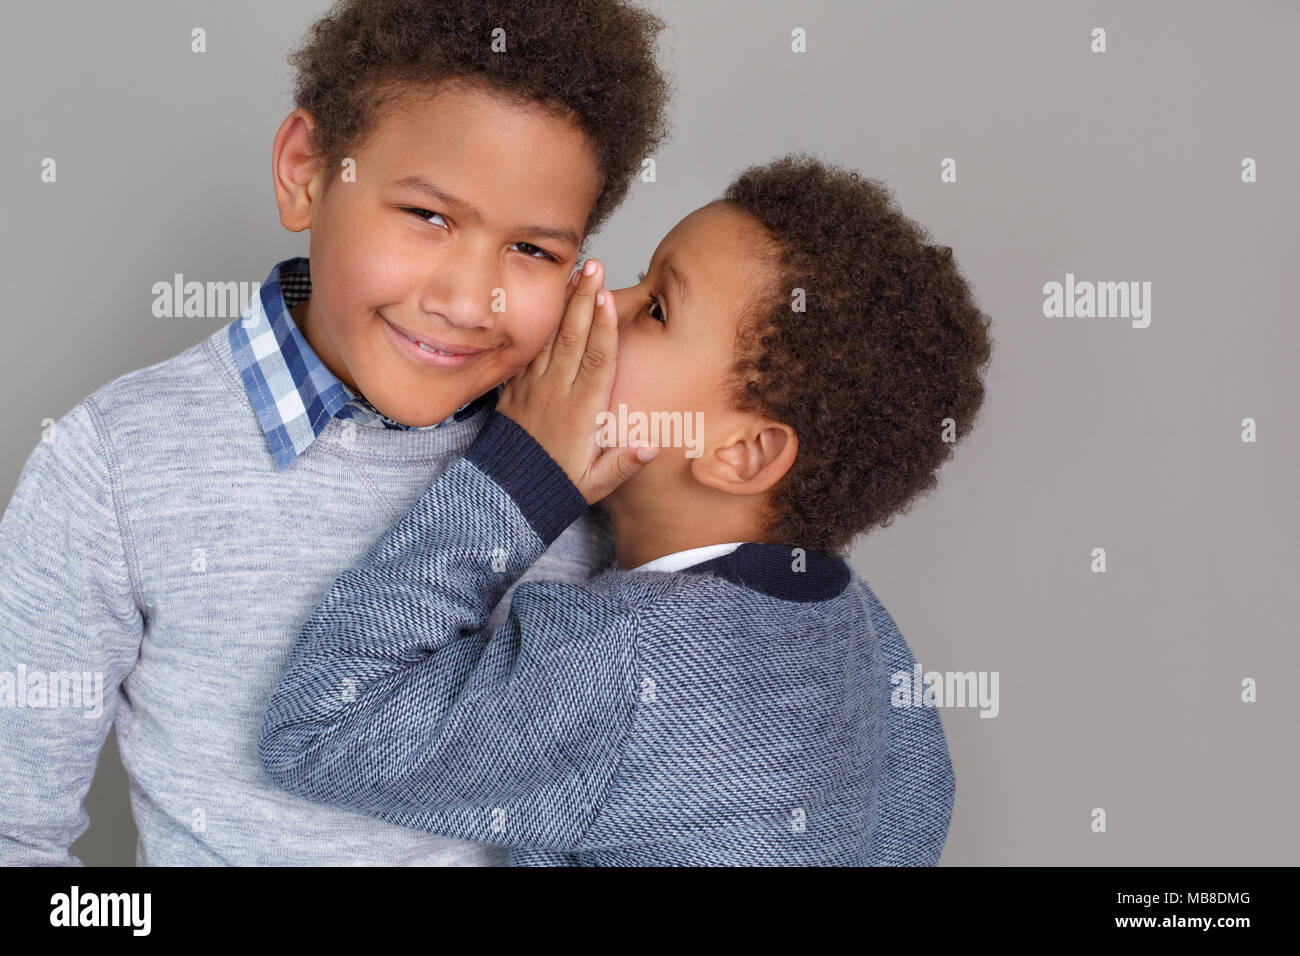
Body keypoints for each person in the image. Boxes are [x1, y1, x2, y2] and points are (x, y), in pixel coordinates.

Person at [0, 0, 672, 866]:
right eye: (428, 216)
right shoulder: (114, 465)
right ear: (306, 172)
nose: (469, 302)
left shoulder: (589, 463)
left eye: (534, 251)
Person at [258, 154, 994, 865]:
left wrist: (520, 476)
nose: (604, 301)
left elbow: (320, 728)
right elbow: (919, 800)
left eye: (658, 309)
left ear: (743, 454)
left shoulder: (628, 663)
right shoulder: (855, 617)